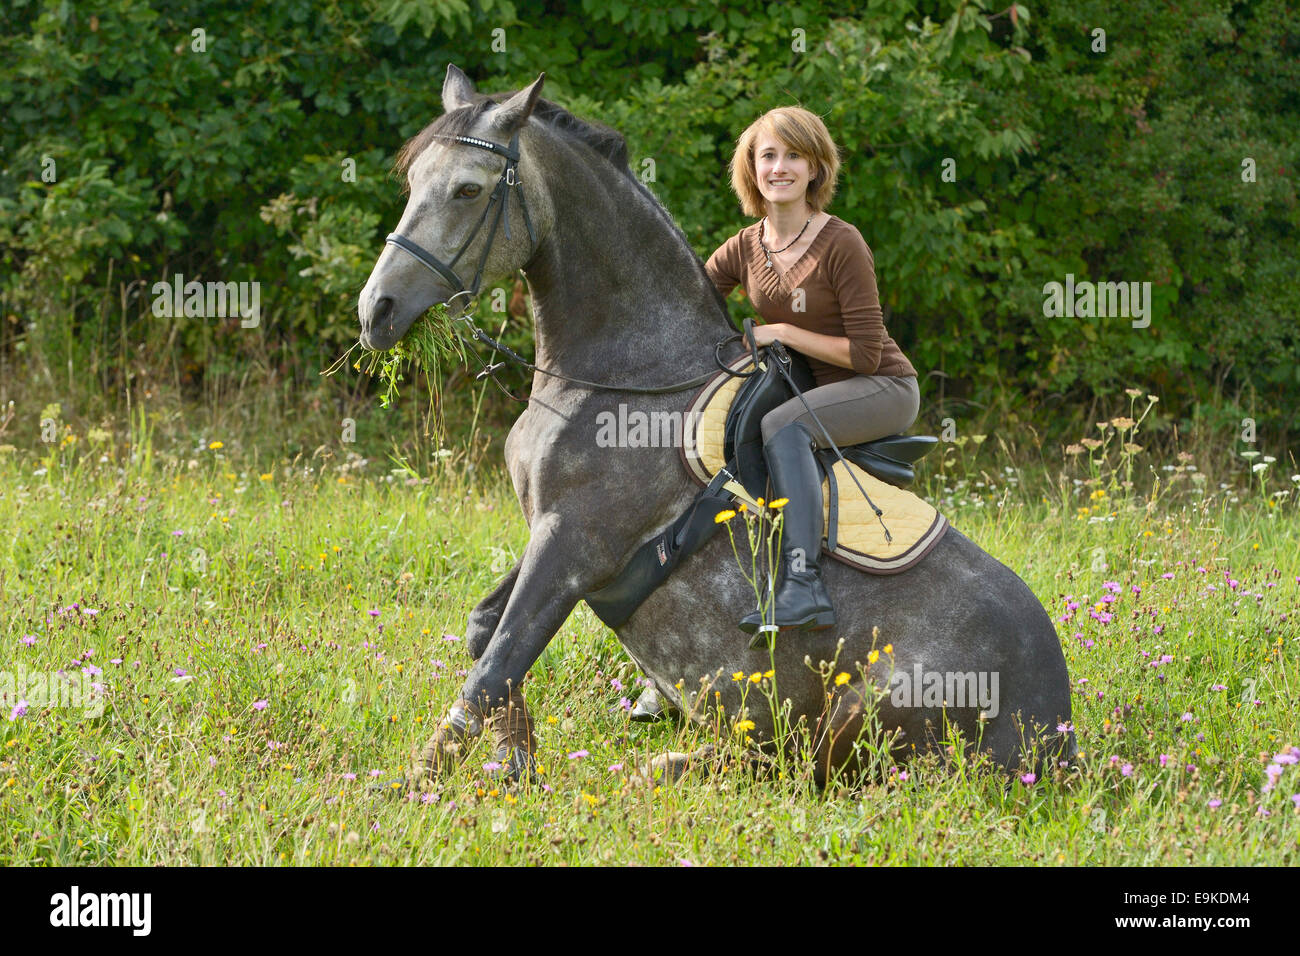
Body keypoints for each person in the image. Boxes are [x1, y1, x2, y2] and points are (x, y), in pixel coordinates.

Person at [704, 106, 920, 640]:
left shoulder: (841, 242)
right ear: (751, 169)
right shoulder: (746, 246)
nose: (780, 167)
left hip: (882, 386)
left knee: (783, 425)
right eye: (768, 155)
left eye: (793, 155)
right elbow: (689, 299)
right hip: (817, 392)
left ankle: (803, 587)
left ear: (816, 168)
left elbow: (868, 354)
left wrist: (783, 332)